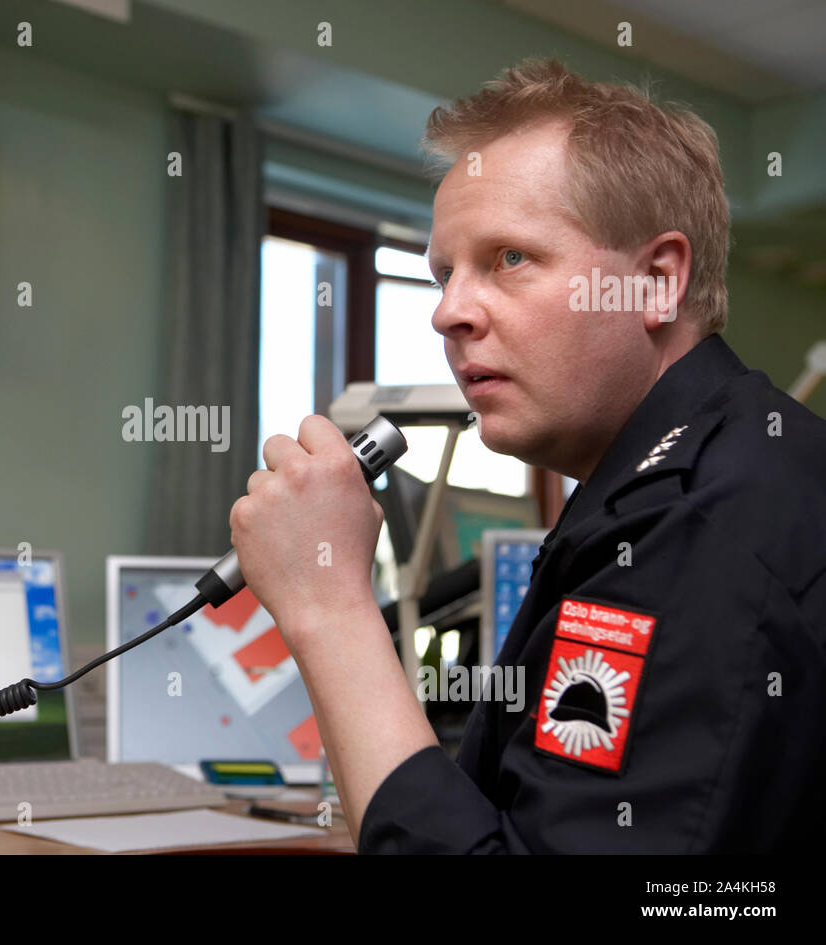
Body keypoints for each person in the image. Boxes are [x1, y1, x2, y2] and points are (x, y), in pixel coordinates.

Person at [229, 58, 826, 853]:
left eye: (509, 258)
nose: (446, 312)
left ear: (655, 281)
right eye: (443, 273)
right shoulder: (691, 475)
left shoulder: (702, 525)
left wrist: (328, 608)